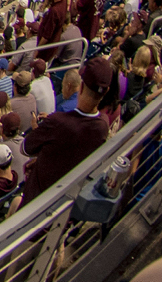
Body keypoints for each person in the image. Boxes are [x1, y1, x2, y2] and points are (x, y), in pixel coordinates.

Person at [23, 55, 116, 200]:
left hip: (38, 200)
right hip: (68, 197)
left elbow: (25, 147)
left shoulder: (57, 121)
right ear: (106, 90)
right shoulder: (103, 125)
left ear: (82, 86)